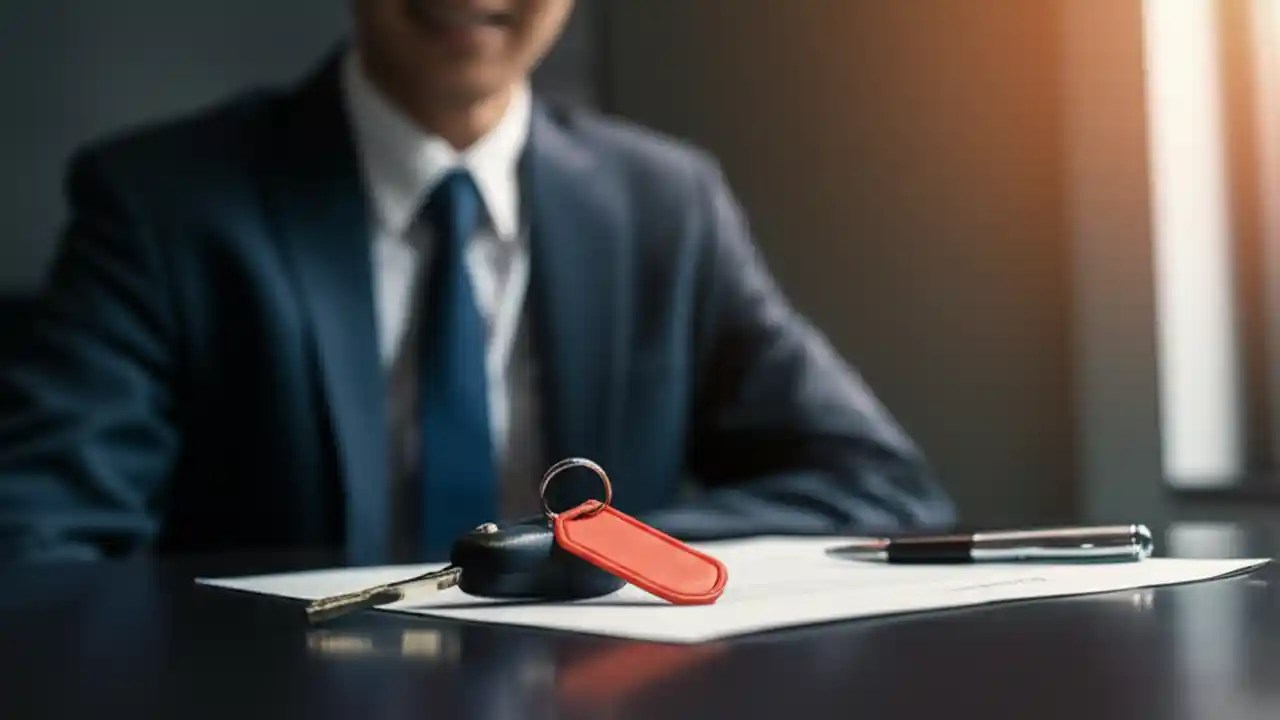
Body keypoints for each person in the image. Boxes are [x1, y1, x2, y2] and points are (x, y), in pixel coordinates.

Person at [0, 0, 954, 563]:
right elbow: (39, 540)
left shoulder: (666, 204)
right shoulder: (162, 204)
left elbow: (877, 486)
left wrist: (581, 545)